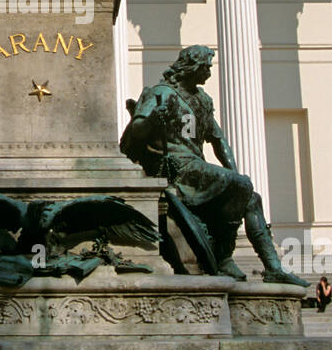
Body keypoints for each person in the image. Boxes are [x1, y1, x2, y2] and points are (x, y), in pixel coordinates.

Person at [120, 45, 308, 285]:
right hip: (176, 168)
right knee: (241, 187)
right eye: (206, 68)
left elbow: (219, 141)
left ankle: (272, 267)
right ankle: (223, 257)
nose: (209, 73)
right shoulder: (162, 93)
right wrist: (156, 117)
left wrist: (234, 176)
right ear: (192, 67)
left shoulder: (202, 100)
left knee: (250, 197)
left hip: (195, 167)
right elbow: (137, 129)